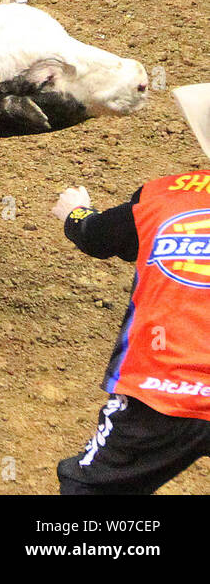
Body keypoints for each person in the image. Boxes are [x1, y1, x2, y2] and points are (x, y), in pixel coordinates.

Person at [50, 83, 210, 494]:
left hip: (162, 391)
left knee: (89, 490)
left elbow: (99, 235)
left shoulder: (162, 197)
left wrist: (75, 213)